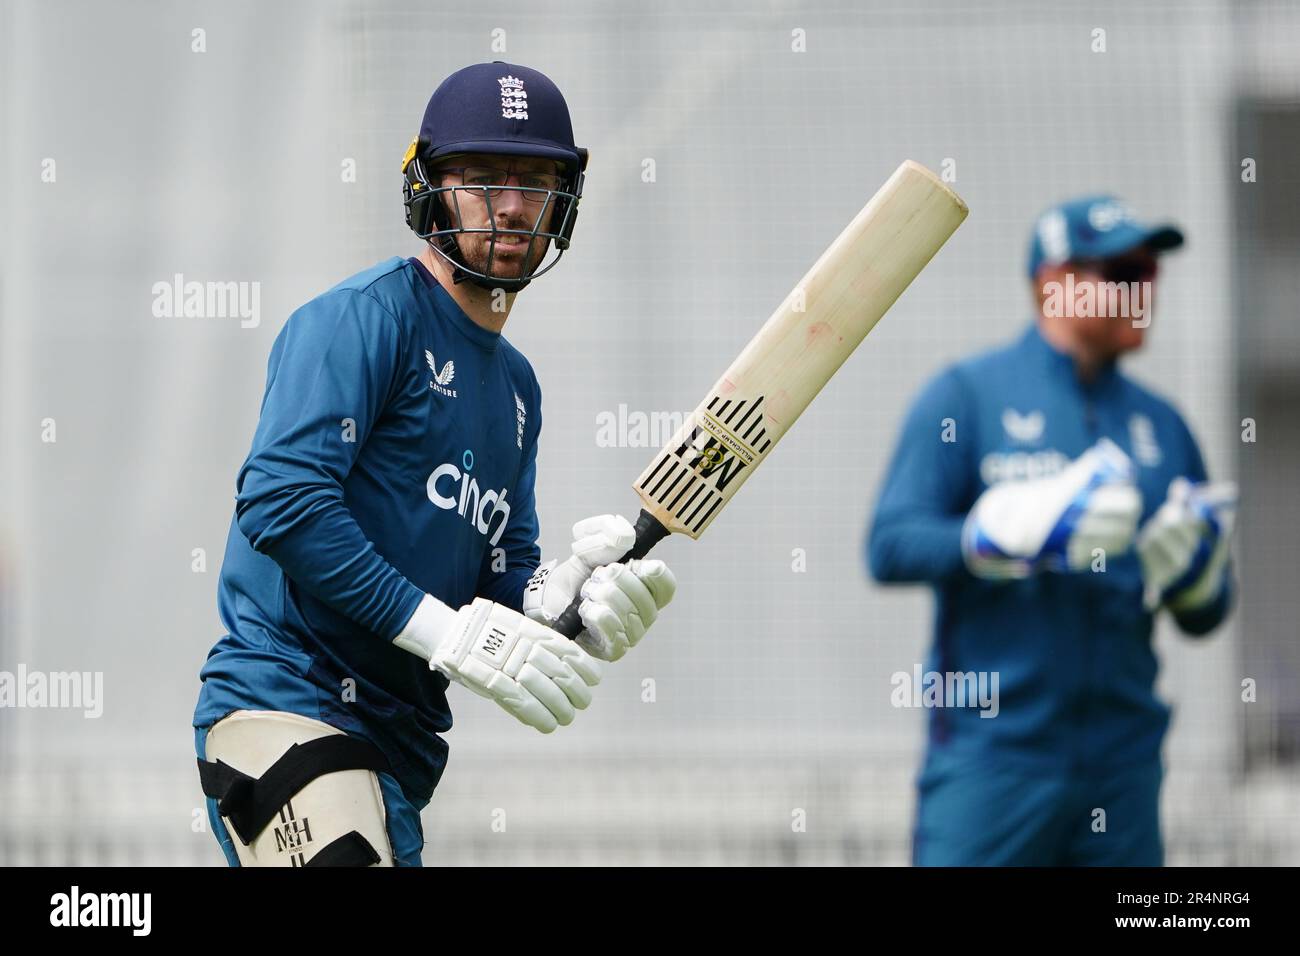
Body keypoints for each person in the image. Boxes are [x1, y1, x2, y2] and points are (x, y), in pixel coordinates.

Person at [192, 61, 677, 867]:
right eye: (483, 178)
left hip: (396, 755)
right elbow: (282, 503)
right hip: (285, 705)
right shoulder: (360, 320)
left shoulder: (518, 387)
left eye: (537, 181)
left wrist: (558, 603)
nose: (514, 206)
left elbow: (499, 571)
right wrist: (446, 633)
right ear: (427, 189)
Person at [867, 195, 1237, 866]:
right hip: (994, 763)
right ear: (1054, 284)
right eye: (1123, 272)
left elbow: (1208, 615)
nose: (1145, 290)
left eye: (1152, 272)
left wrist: (1198, 584)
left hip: (1123, 768)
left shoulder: (1164, 424)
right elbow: (889, 545)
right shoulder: (966, 396)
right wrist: (989, 536)